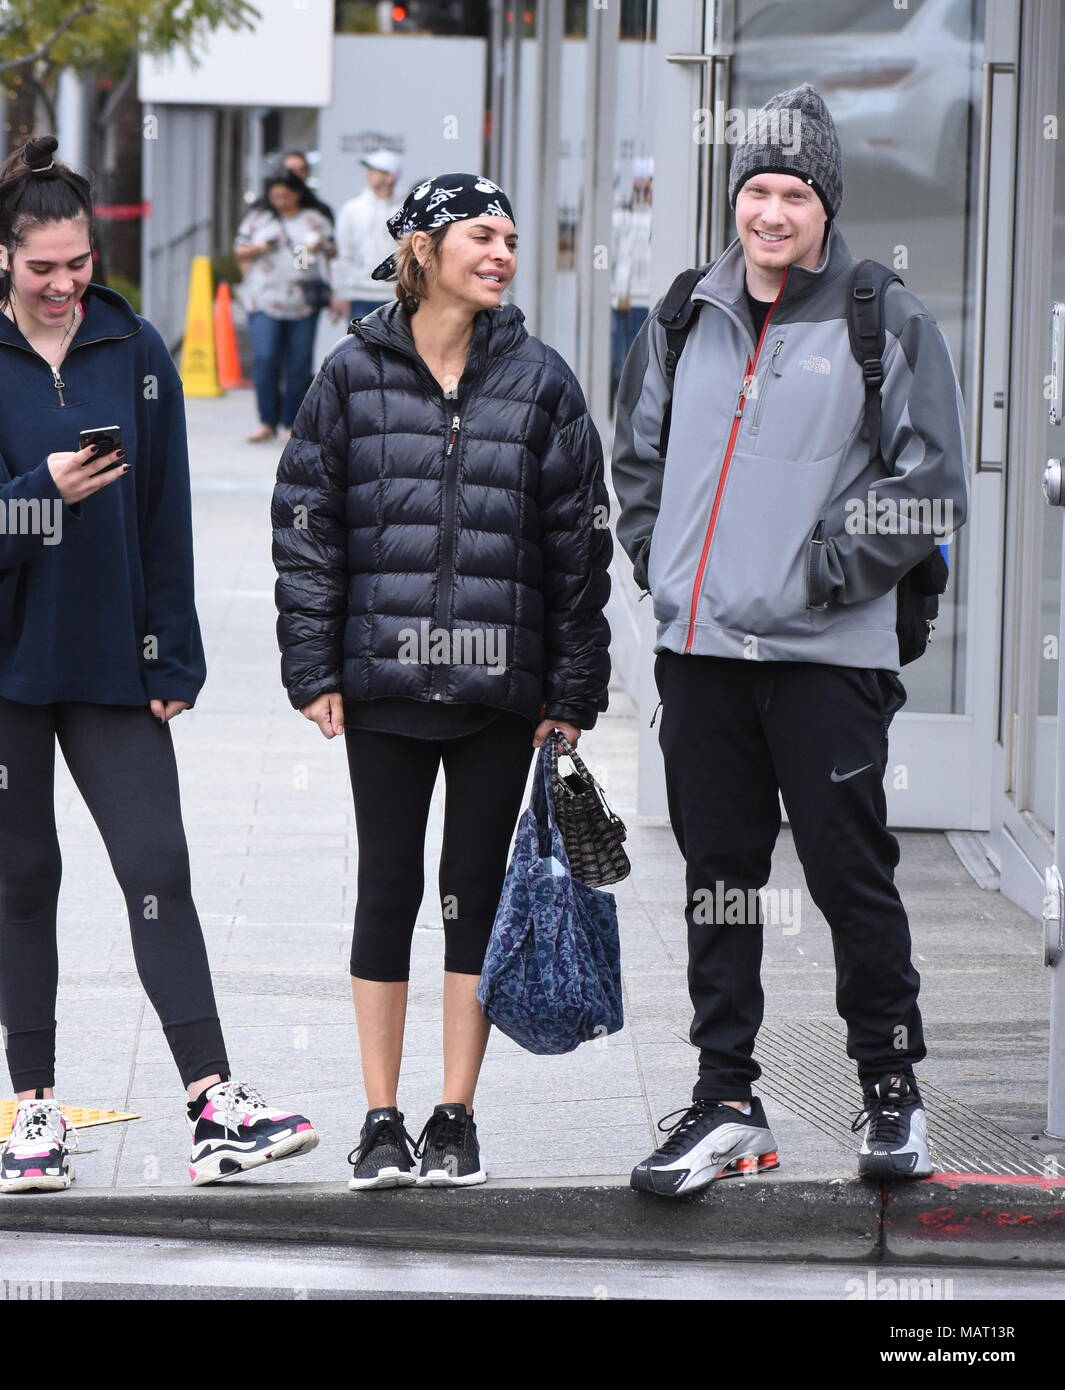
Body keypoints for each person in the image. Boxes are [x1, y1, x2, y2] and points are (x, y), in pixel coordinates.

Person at [0, 135, 319, 1194]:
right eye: (41, 268)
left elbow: (162, 511)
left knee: (156, 869)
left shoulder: (132, 349)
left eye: (77, 264)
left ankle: (214, 1103)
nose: (62, 286)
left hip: (111, 657)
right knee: (26, 875)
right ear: (0, 255)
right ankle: (35, 1111)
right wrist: (40, 488)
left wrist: (172, 649)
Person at [612, 85, 969, 1198]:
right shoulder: (681, 314)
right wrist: (668, 574)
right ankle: (726, 1100)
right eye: (755, 190)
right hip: (703, 658)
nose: (771, 212)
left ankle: (890, 1088)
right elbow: (638, 468)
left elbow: (930, 485)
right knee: (718, 880)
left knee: (848, 879)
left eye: (793, 193)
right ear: (735, 200)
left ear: (825, 206)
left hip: (828, 664)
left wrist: (821, 574)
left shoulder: (881, 316)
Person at [272, 173, 612, 1191]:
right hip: (381, 679)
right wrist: (312, 665)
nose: (502, 252)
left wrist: (572, 690)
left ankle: (454, 1114)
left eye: (510, 238)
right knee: (386, 888)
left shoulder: (542, 382)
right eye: (481, 235)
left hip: (498, 692)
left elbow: (577, 550)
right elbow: (306, 525)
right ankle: (378, 1116)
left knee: (472, 896)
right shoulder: (350, 375)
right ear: (422, 248)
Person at [235, 170, 335, 444]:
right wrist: (260, 248)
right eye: (275, 195)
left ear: (297, 194)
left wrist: (320, 247)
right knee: (266, 358)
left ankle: (292, 423)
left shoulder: (314, 218)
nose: (279, 200)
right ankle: (266, 420)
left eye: (285, 195)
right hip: (263, 298)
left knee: (298, 364)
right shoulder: (259, 218)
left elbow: (333, 251)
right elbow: (239, 250)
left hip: (302, 302)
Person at [329, 149, 404, 322]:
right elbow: (343, 253)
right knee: (361, 347)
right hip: (359, 294)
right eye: (369, 169)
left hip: (395, 295)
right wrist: (340, 292)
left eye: (375, 170)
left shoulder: (405, 209)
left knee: (395, 348)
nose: (369, 174)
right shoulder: (352, 209)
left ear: (390, 176)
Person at [609, 157, 652, 414]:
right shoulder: (625, 214)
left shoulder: (650, 216)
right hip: (620, 296)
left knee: (635, 361)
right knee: (617, 360)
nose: (640, 183)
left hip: (642, 297)